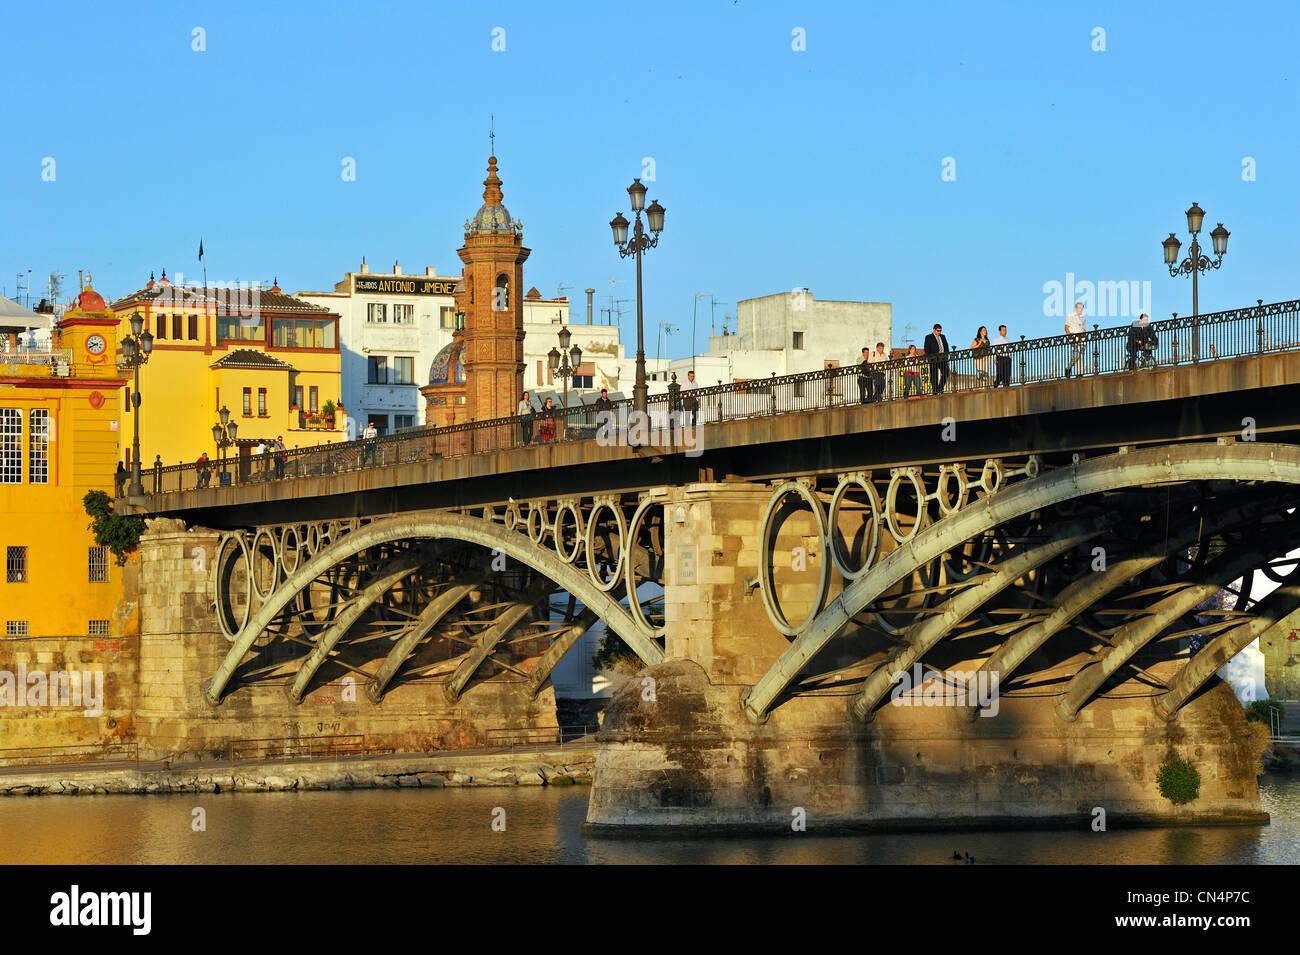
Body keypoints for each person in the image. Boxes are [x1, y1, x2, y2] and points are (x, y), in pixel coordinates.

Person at [924, 323, 950, 394]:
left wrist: (946, 355)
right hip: (933, 358)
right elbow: (926, 348)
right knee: (934, 375)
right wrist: (929, 358)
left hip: (942, 358)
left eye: (940, 331)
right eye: (938, 331)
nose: (939, 332)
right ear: (934, 330)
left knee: (946, 373)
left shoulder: (943, 336)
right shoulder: (928, 337)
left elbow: (946, 346)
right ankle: (935, 390)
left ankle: (939, 388)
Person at [1064, 301, 1087, 377]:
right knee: (1076, 355)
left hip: (1081, 339)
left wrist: (1085, 338)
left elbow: (1084, 329)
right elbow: (1066, 327)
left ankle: (1080, 373)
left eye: (1082, 308)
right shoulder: (1070, 316)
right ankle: (1068, 368)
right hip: (1074, 338)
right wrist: (1070, 336)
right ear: (1076, 308)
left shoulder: (1083, 318)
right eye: (1079, 308)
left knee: (1081, 356)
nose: (1080, 309)